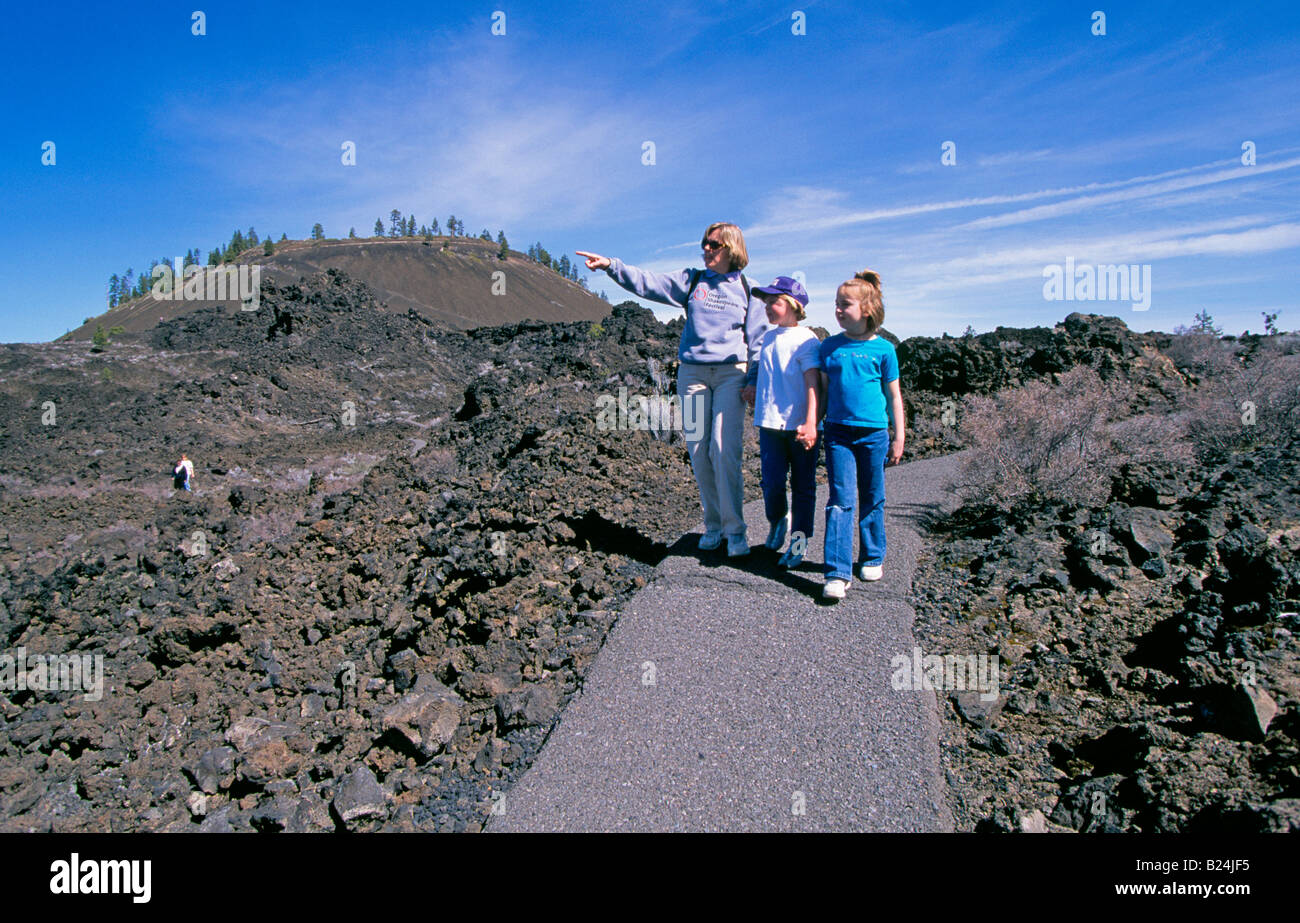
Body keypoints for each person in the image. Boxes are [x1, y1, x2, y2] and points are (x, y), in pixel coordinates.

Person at [577, 223, 768, 557]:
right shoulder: (691, 280)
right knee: (698, 450)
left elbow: (759, 341)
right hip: (692, 374)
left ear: (732, 248)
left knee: (725, 450)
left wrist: (753, 379)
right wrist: (612, 266)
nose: (706, 249)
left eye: (713, 245)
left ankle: (735, 530)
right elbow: (649, 282)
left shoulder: (749, 290)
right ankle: (712, 525)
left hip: (730, 375)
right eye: (704, 244)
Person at [818, 270, 905, 600]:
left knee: (872, 495)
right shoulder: (829, 347)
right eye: (836, 304)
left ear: (867, 309)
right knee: (840, 500)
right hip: (838, 433)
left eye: (845, 304)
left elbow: (894, 396)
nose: (838, 310)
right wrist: (814, 423)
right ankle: (837, 572)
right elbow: (823, 392)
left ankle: (871, 555)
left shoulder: (884, 350)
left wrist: (899, 436)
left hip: (874, 434)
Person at [749, 276, 821, 569]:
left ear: (793, 305)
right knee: (772, 483)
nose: (767, 307)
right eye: (766, 303)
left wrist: (812, 422)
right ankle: (778, 520)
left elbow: (813, 384)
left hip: (799, 427)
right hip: (769, 425)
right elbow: (760, 369)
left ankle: (800, 541)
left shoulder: (807, 340)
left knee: (803, 488)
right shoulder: (767, 337)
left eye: (774, 302)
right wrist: (750, 385)